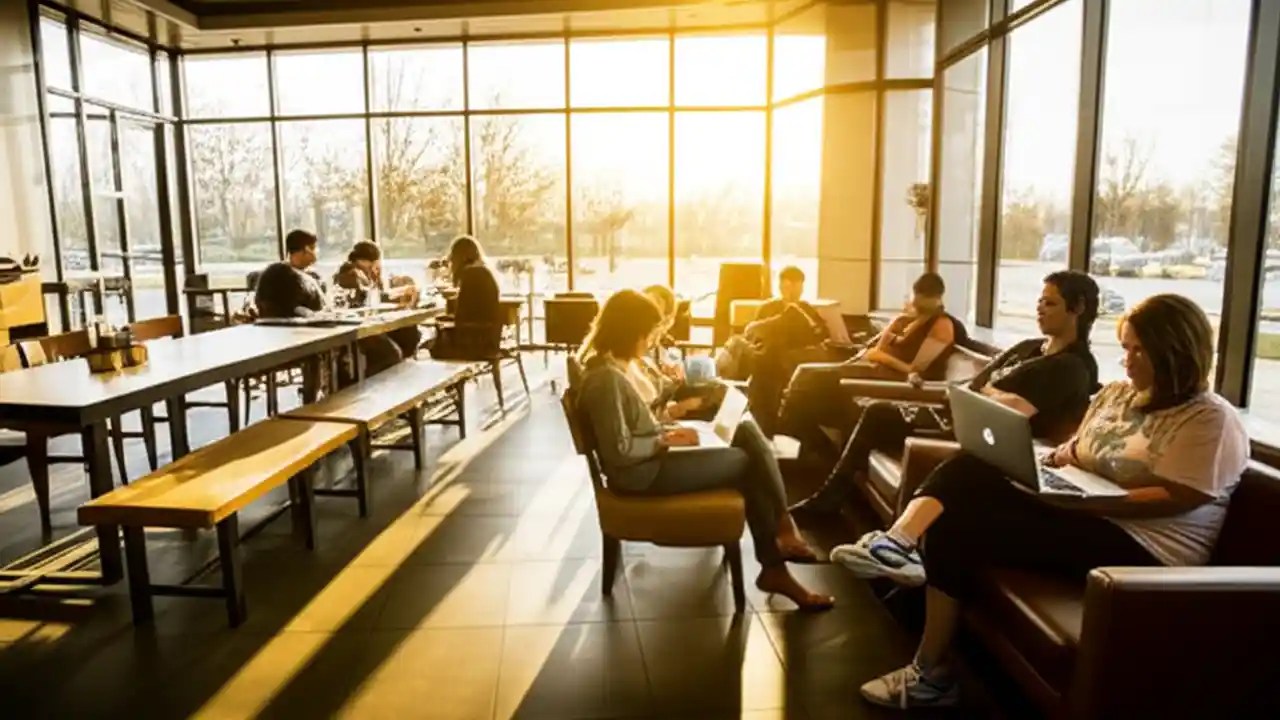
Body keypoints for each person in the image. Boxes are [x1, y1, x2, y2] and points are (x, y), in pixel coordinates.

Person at [838, 294, 1248, 710]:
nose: (1128, 360)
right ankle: (899, 548)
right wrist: (1058, 461)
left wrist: (1087, 502)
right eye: (1125, 347)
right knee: (971, 469)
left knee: (959, 524)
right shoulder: (1119, 394)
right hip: (1085, 508)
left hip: (1143, 545)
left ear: (1176, 352)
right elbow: (1082, 444)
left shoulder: (1210, 418)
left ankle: (928, 661)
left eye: (1140, 350)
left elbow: (1178, 496)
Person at [575, 290, 834, 611]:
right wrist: (663, 439)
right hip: (640, 474)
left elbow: (632, 425)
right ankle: (777, 550)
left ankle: (776, 554)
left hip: (651, 461)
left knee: (745, 431)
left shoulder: (615, 367)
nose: (650, 341)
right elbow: (619, 452)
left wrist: (667, 428)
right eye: (648, 334)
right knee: (746, 460)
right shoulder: (605, 380)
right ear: (630, 331)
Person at [791, 270, 1100, 517]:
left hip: (979, 438)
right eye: (1040, 300)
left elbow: (1011, 412)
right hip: (955, 415)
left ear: (1078, 308)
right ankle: (829, 499)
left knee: (875, 412)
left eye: (1051, 303)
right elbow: (974, 386)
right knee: (877, 411)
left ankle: (838, 506)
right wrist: (985, 392)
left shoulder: (1071, 367)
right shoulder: (1028, 348)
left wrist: (986, 391)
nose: (1040, 308)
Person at [778, 272, 962, 453]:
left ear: (937, 298)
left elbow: (915, 370)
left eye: (922, 298)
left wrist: (881, 357)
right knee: (803, 380)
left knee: (807, 378)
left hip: (887, 377)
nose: (916, 302)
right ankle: (805, 440)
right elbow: (877, 347)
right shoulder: (908, 320)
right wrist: (896, 324)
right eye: (916, 296)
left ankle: (793, 433)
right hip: (869, 367)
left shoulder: (941, 325)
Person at [335, 240, 422, 359]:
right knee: (399, 344)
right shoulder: (351, 273)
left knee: (409, 331)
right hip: (357, 325)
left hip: (368, 322)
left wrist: (379, 280)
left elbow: (377, 296)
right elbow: (370, 298)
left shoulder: (363, 273)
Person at [428, 235, 503, 360]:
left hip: (472, 343)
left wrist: (441, 320)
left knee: (429, 347)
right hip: (487, 340)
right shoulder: (483, 272)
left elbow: (462, 318)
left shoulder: (471, 275)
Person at [253, 229, 326, 319]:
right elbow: (286, 307)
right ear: (306, 249)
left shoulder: (312, 275)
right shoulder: (277, 274)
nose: (316, 253)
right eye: (314, 248)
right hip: (287, 328)